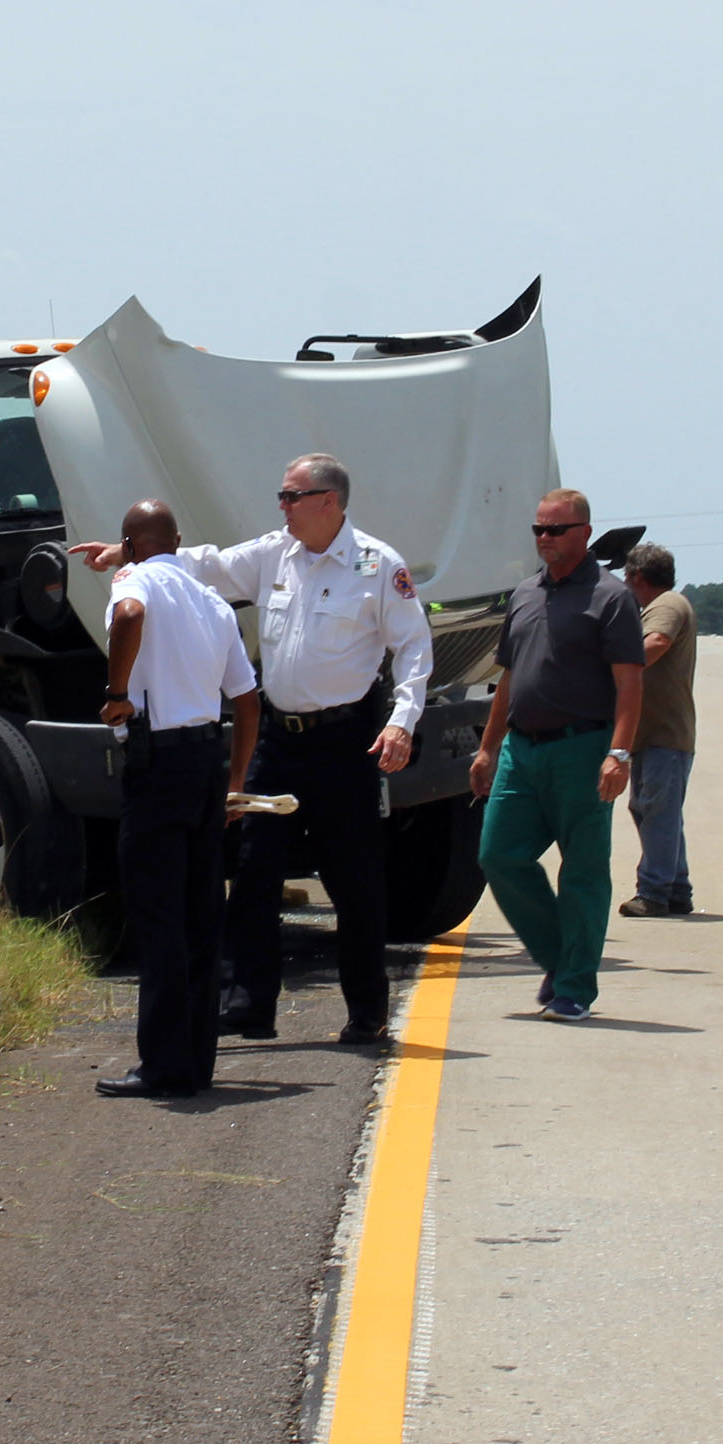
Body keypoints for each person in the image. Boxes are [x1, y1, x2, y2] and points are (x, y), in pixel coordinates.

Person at [69, 452, 430, 1046]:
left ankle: (366, 1012)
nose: (281, 506)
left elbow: (414, 647)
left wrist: (403, 720)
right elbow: (204, 565)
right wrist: (129, 552)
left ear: (328, 502)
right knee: (254, 873)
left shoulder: (377, 565)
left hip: (346, 744)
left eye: (291, 496)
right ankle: (248, 1005)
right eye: (282, 496)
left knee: (355, 881)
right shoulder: (274, 554)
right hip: (280, 742)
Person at [91, 500, 261, 1099]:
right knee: (199, 915)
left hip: (156, 761)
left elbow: (130, 614)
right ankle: (195, 1061)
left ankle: (163, 1065)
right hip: (206, 762)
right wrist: (236, 783)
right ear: (179, 540)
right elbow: (245, 700)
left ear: (130, 545)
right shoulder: (212, 603)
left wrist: (116, 693)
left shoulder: (132, 581)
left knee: (157, 915)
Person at [468, 490, 645, 1018]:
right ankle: (556, 957)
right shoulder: (523, 594)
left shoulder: (611, 598)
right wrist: (487, 747)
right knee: (497, 855)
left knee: (583, 872)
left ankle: (574, 988)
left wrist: (619, 753)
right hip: (522, 750)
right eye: (539, 530)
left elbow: (631, 687)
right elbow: (509, 677)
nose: (545, 539)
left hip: (584, 750)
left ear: (584, 533)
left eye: (556, 530)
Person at [616, 542, 697, 918]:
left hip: (665, 733)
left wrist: (613, 669)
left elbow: (657, 642)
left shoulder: (665, 605)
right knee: (654, 810)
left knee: (655, 811)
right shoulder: (664, 604)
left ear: (636, 576)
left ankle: (654, 890)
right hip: (658, 733)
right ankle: (676, 887)